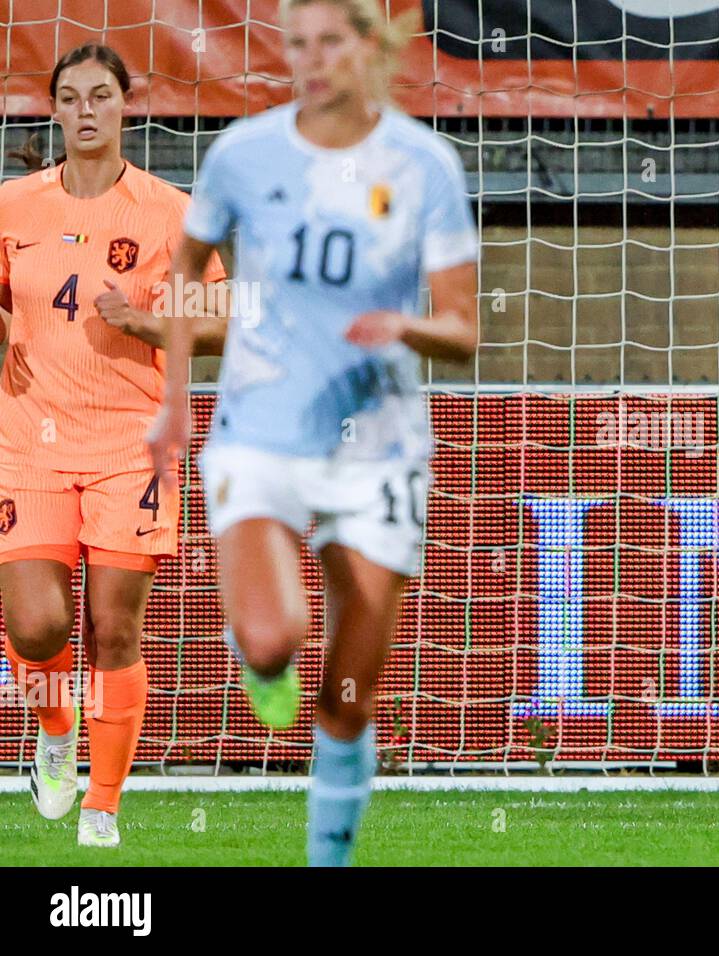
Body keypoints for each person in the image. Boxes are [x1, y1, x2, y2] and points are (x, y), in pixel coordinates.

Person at [148, 0, 478, 866]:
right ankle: (261, 656)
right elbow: (185, 272)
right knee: (272, 640)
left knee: (348, 693)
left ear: (373, 46)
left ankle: (326, 855)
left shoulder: (423, 166)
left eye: (332, 41)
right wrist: (177, 398)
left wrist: (401, 328)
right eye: (298, 44)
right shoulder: (243, 156)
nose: (313, 60)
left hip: (376, 439)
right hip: (257, 430)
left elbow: (464, 330)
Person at [0, 43, 227, 848]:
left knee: (115, 631)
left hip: (132, 446)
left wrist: (149, 322)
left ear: (126, 105)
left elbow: (229, 320)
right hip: (28, 438)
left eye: (102, 94)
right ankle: (53, 727)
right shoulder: (11, 206)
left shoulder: (170, 212)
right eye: (71, 97)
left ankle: (102, 804)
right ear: (54, 111)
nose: (87, 109)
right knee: (34, 626)